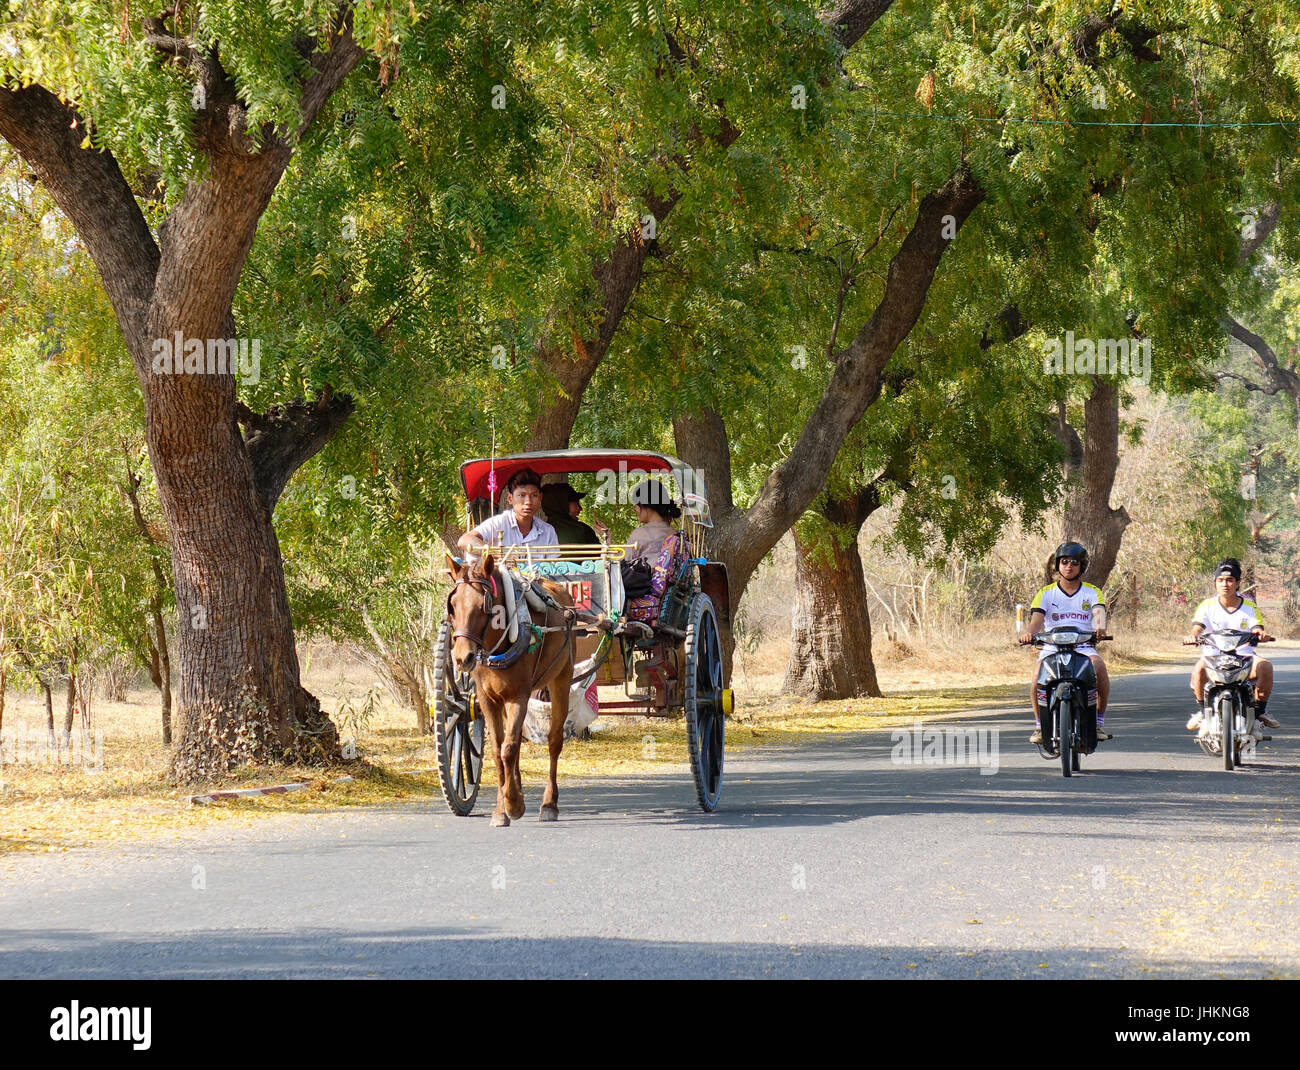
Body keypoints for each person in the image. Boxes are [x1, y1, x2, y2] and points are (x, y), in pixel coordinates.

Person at [1019, 541, 1111, 744]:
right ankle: (1039, 726)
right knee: (1037, 677)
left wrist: (1099, 628)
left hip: (1083, 646)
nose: (1069, 566)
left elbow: (1099, 614)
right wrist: (1029, 634)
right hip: (1052, 647)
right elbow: (1036, 621)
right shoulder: (1046, 593)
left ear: (1082, 567)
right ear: (1058, 565)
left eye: (1074, 562)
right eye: (1064, 562)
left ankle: (1097, 722)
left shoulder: (1092, 592)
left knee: (1099, 667)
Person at [1184, 558, 1279, 735]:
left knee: (1265, 666)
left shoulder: (1249, 606)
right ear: (1215, 583)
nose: (1225, 584)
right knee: (1198, 671)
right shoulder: (1207, 606)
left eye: (1230, 580)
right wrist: (1193, 636)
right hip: (1213, 658)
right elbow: (1198, 627)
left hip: (1244, 658)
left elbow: (1256, 627)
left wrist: (1260, 634)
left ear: (1238, 583)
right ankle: (1204, 713)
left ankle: (1259, 714)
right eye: (1220, 580)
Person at [592, 478, 687, 623]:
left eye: (637, 505)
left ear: (648, 505)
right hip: (668, 593)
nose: (635, 509)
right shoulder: (673, 533)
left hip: (642, 588)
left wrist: (608, 542)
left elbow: (622, 564)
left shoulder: (641, 534)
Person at [457, 467, 558, 557]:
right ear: (510, 498)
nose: (528, 502)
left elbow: (554, 569)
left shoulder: (548, 531)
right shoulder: (498, 523)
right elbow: (464, 540)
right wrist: (499, 555)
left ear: (540, 498)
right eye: (522, 495)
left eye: (534, 495)